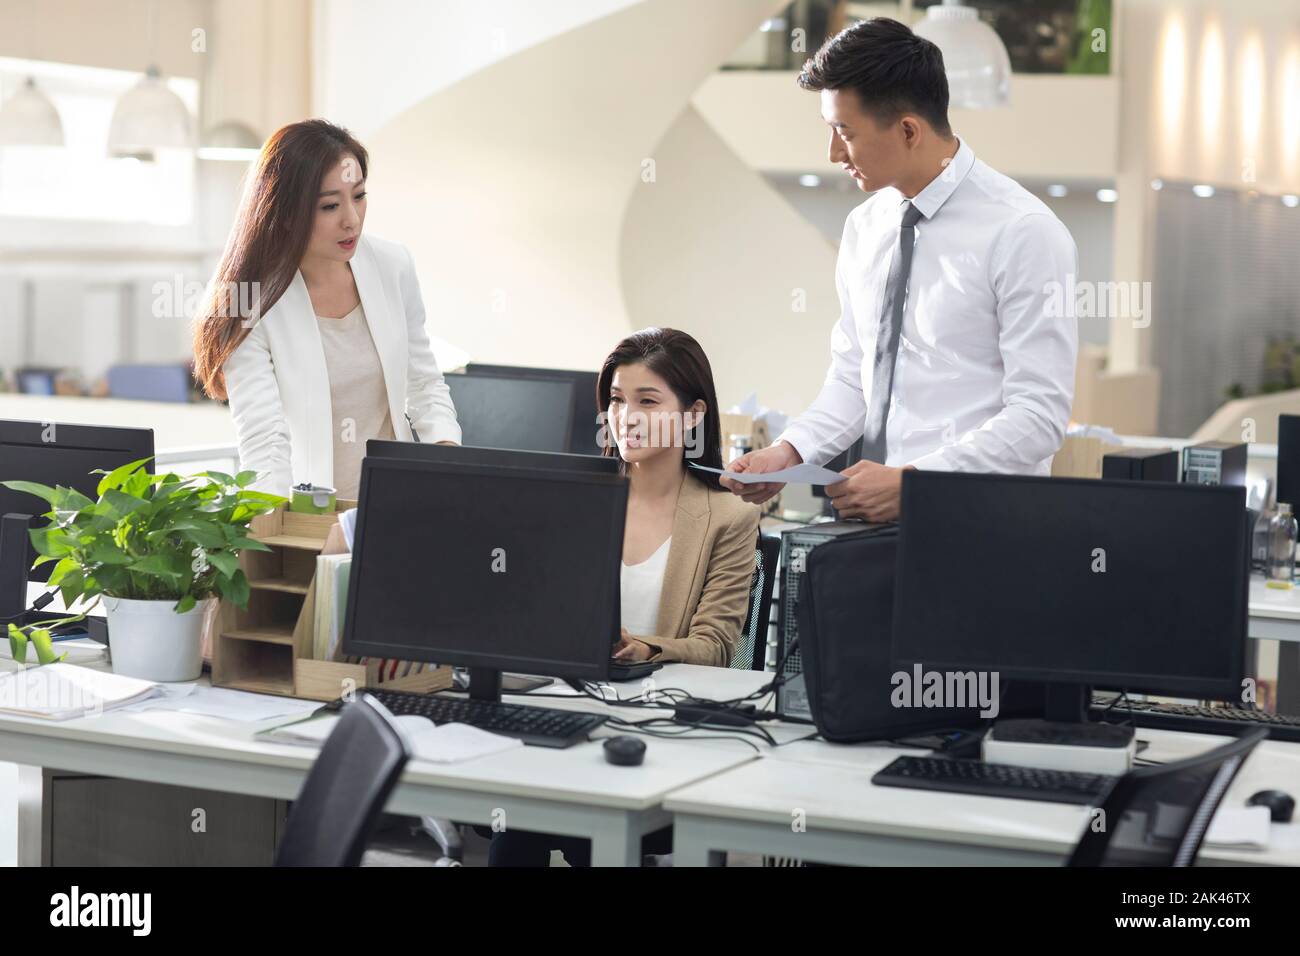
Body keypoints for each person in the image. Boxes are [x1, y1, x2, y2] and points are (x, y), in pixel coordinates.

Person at [724, 18, 1078, 522]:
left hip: (983, 526)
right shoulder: (864, 228)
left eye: (844, 132)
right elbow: (854, 378)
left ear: (909, 129)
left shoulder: (1024, 232)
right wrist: (789, 453)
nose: (832, 153)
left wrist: (915, 483)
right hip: (873, 523)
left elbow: (1038, 418)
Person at [490, 327, 760, 866]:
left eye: (647, 400)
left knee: (591, 827)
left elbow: (717, 646)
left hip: (656, 733)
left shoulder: (729, 517)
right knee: (517, 816)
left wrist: (644, 649)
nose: (625, 416)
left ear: (693, 414)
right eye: (616, 400)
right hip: (559, 710)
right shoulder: (575, 497)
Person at [192, 119, 460, 499]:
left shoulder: (393, 266)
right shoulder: (248, 299)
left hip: (395, 501)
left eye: (360, 196)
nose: (351, 219)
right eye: (330, 205)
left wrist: (447, 461)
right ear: (285, 212)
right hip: (308, 513)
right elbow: (264, 438)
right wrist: (282, 528)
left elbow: (423, 382)